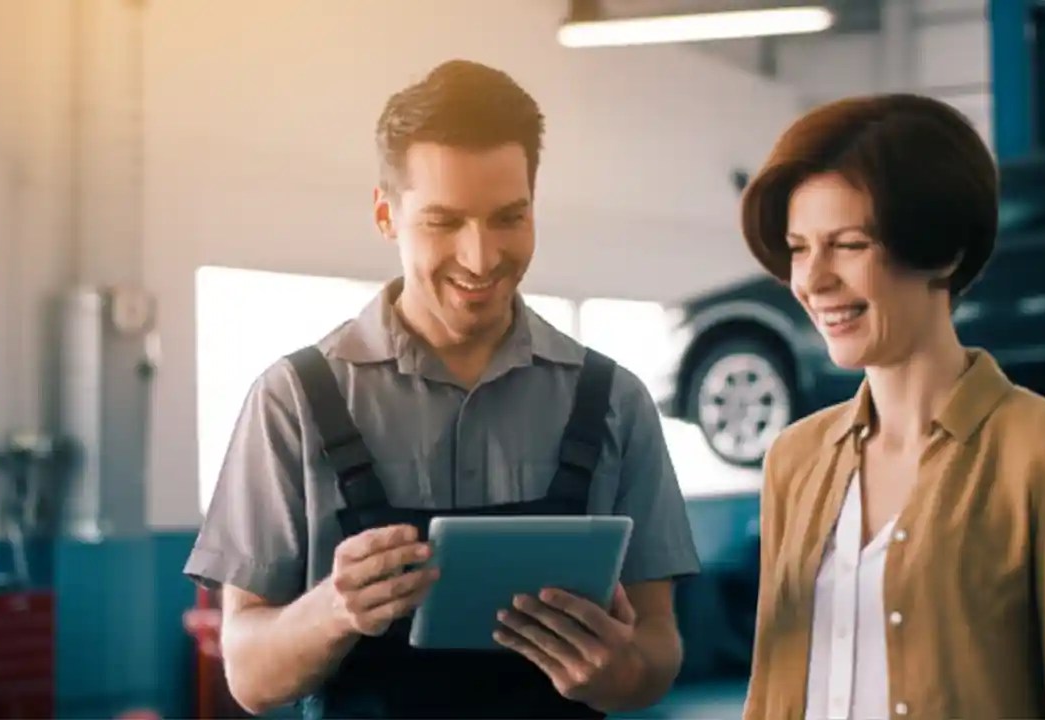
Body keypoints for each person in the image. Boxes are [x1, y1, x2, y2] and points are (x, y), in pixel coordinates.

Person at [183, 59, 700, 719]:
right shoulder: (293, 402)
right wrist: (334, 609)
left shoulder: (613, 401)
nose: (480, 257)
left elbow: (658, 646)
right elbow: (251, 677)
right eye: (443, 222)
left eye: (508, 218)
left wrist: (619, 669)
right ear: (384, 214)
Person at [737, 94, 1045, 720]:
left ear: (943, 252)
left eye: (848, 244)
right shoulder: (793, 460)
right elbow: (768, 695)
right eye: (797, 248)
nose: (812, 280)